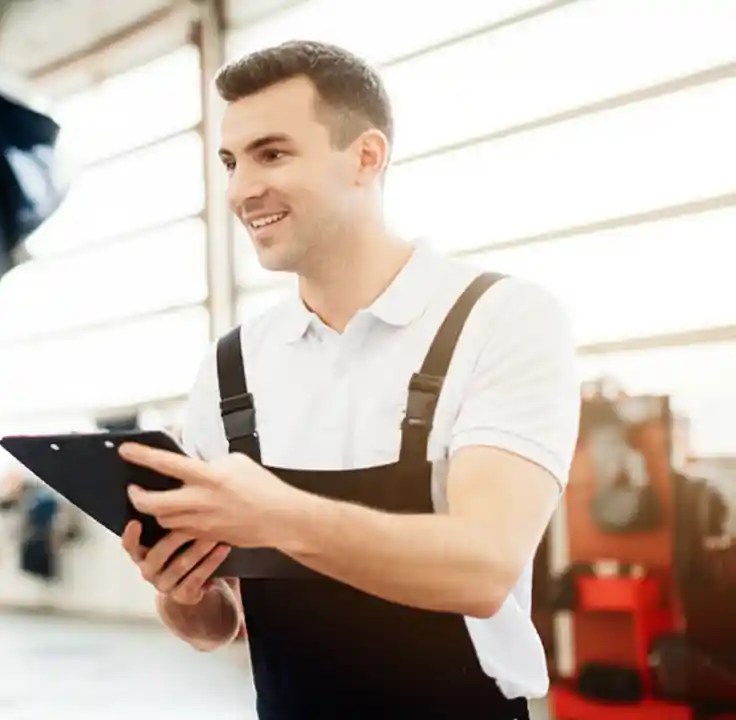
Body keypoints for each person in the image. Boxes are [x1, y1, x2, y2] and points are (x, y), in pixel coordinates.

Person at [118, 41, 580, 718]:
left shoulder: (502, 319)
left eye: (272, 154)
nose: (243, 189)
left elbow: (484, 567)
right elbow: (221, 627)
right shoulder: (232, 366)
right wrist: (181, 593)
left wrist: (273, 512)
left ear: (366, 157)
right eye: (230, 161)